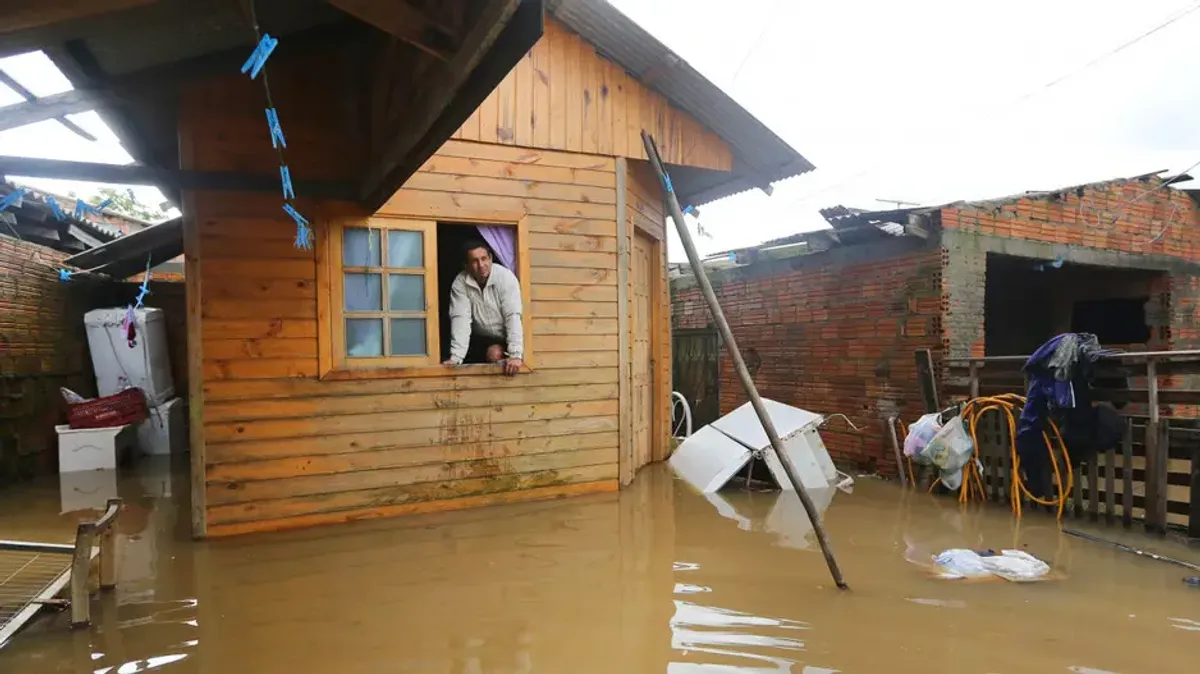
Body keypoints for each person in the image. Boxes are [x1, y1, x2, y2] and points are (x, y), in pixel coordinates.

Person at [442, 239, 524, 375]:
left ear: (491, 259)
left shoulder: (505, 277)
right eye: (474, 261)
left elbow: (512, 315)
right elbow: (460, 319)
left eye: (484, 259)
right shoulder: (460, 283)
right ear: (466, 265)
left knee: (496, 354)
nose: (481, 265)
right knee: (488, 355)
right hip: (481, 338)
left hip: (508, 334)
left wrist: (515, 355)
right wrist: (456, 357)